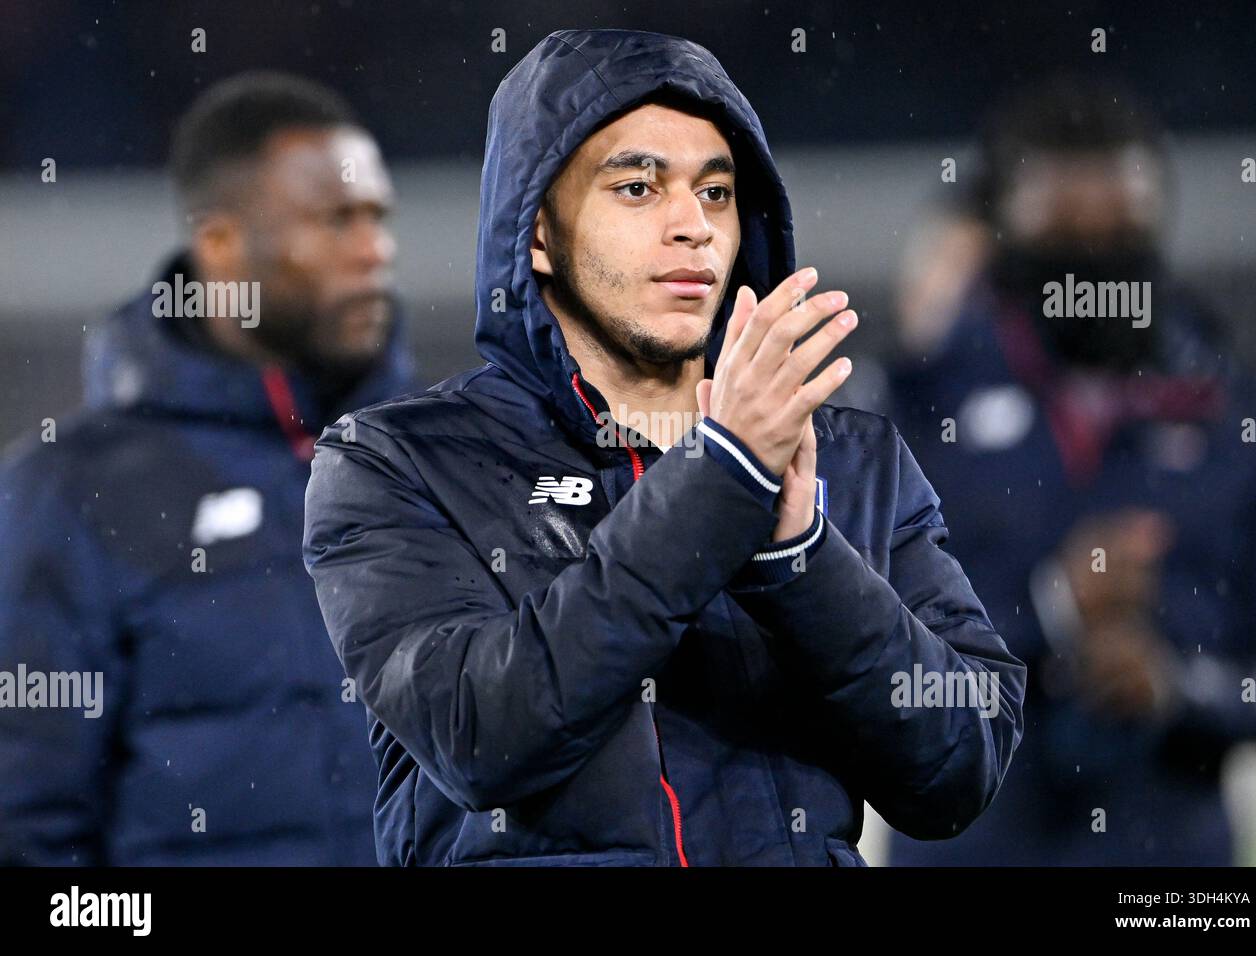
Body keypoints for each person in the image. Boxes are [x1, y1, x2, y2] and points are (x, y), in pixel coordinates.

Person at [302, 29, 1025, 867]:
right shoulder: (393, 462)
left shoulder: (848, 455)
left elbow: (959, 770)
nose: (693, 226)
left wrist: (801, 557)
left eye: (716, 193)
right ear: (538, 231)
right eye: (639, 188)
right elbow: (481, 737)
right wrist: (723, 484)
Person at [0, 72, 417, 864]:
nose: (374, 251)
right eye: (335, 221)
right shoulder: (71, 492)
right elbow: (27, 826)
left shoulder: (438, 454)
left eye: (378, 217)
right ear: (220, 244)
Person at [884, 75, 1256, 865]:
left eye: (1123, 237)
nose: (1097, 272)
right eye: (1066, 240)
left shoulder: (1241, 420)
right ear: (998, 234)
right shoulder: (908, 414)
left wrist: (1181, 688)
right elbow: (869, 670)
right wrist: (1050, 609)